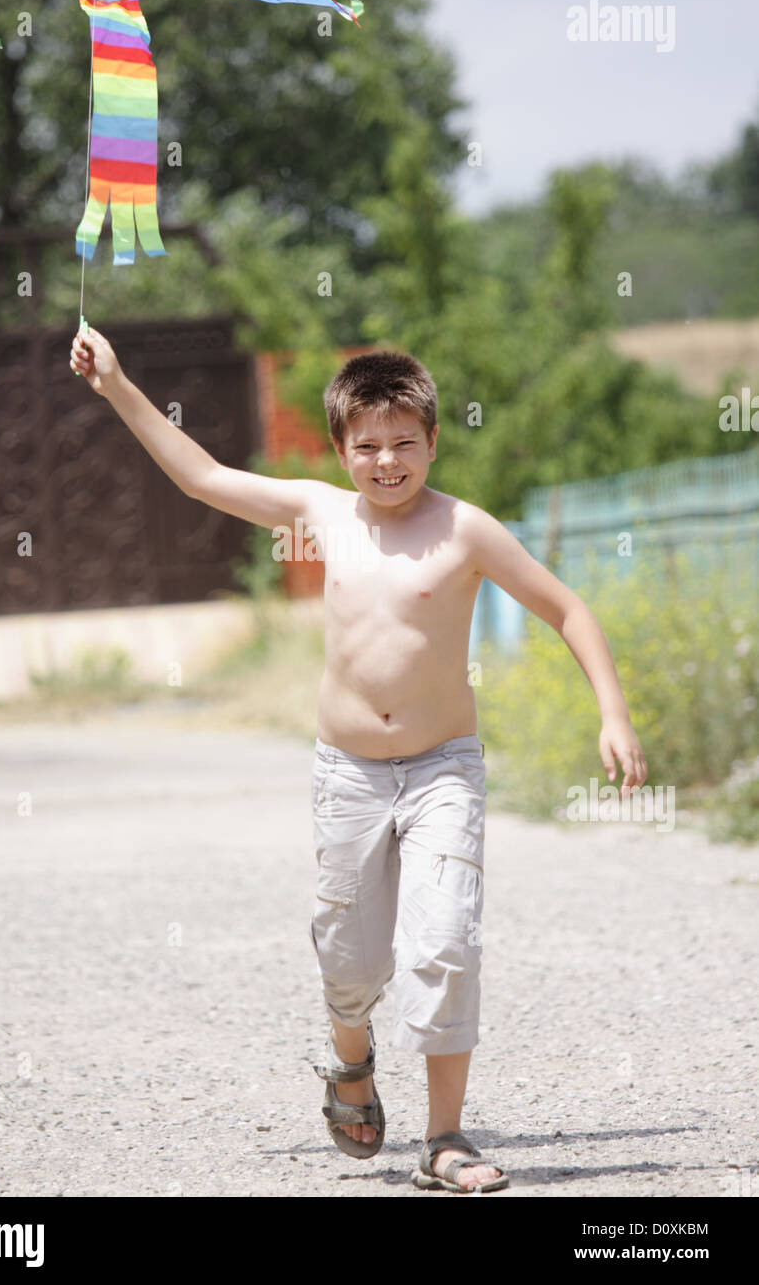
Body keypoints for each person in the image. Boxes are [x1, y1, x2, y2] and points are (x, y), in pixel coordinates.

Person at [69, 327, 648, 1194]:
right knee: (350, 960)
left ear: (433, 441)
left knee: (446, 941)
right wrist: (115, 383)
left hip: (444, 769)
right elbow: (201, 475)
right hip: (347, 775)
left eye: (405, 444)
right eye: (367, 447)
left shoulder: (466, 530)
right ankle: (351, 1062)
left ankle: (445, 1138)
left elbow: (567, 609)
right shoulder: (317, 514)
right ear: (340, 447)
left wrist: (614, 712)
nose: (387, 463)